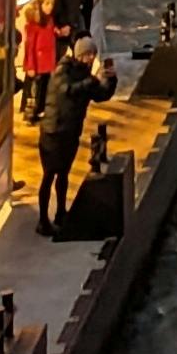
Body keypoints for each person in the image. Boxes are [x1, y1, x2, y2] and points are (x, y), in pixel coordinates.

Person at [36, 36, 118, 234]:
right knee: (49, 175)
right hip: (53, 132)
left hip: (71, 132)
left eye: (94, 55)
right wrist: (92, 80)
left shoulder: (85, 74)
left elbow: (100, 95)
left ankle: (61, 212)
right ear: (80, 54)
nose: (92, 58)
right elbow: (68, 90)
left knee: (64, 174)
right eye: (89, 54)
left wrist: (110, 79)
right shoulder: (62, 70)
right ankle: (43, 221)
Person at [18, 0, 60, 128]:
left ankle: (38, 111)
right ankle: (30, 114)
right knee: (34, 92)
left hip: (47, 63)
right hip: (37, 63)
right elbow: (30, 47)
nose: (50, 7)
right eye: (47, 4)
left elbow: (50, 34)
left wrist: (57, 31)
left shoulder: (49, 20)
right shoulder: (33, 25)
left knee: (42, 90)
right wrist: (30, 65)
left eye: (52, 4)